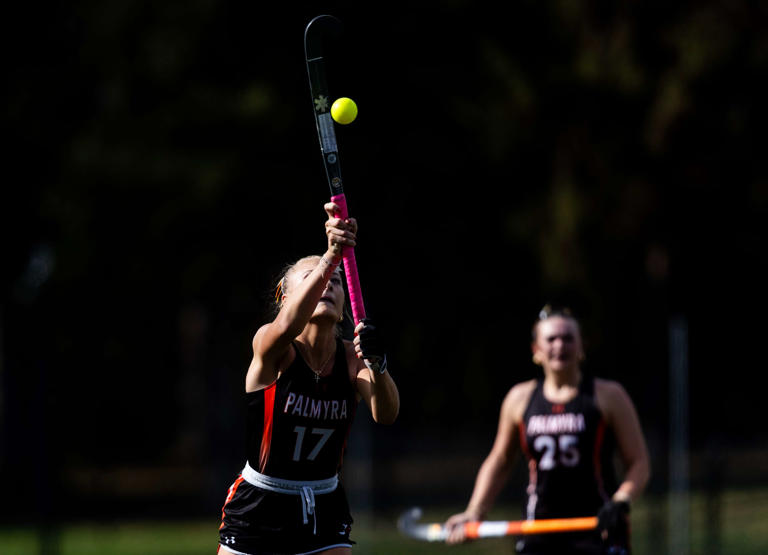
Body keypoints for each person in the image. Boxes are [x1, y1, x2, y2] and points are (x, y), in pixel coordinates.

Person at [217, 201, 400, 555]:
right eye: (315, 278)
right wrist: (332, 255)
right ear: (286, 298)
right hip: (260, 503)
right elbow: (287, 324)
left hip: (322, 503)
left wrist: (379, 365)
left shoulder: (350, 359)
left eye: (335, 280)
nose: (328, 283)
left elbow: (386, 413)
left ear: (345, 305)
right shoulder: (273, 348)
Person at [445, 305, 650, 554]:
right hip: (538, 533)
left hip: (599, 529)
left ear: (581, 347)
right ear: (536, 350)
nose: (559, 346)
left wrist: (621, 501)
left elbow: (638, 462)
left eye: (568, 338)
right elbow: (499, 461)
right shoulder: (519, 399)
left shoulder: (609, 396)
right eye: (551, 339)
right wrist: (475, 511)